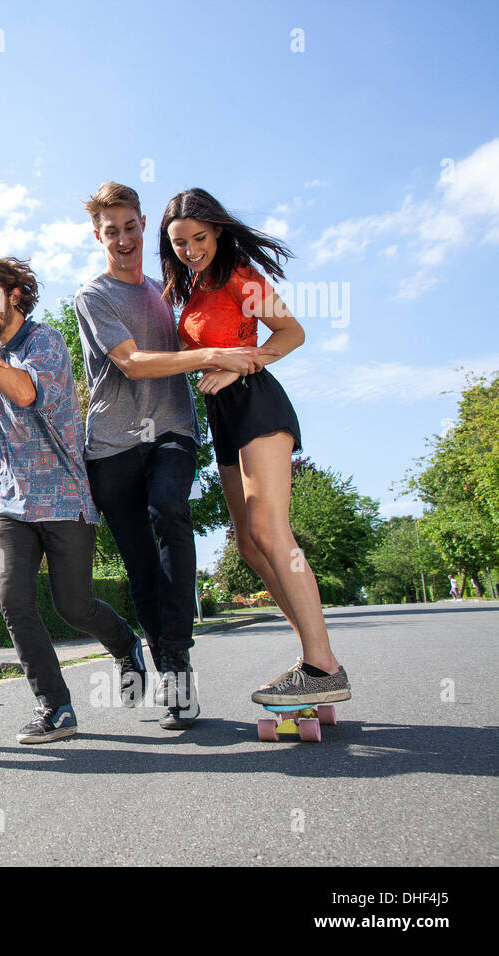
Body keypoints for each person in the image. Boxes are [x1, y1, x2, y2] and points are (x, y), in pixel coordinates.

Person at [0, 256, 142, 744]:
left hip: (63, 497)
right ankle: (56, 708)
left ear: (15, 294)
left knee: (74, 606)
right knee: (13, 601)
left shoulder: (44, 342)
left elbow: (23, 392)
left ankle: (125, 644)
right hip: (9, 502)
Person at [74, 182, 275, 729]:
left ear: (144, 226)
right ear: (98, 236)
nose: (121, 238)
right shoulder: (92, 297)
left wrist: (243, 352)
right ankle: (163, 667)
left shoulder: (170, 291)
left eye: (130, 227)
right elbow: (134, 363)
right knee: (139, 567)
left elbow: (226, 304)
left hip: (172, 432)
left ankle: (178, 667)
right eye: (110, 231)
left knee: (170, 509)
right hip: (112, 443)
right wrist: (214, 355)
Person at [159, 187, 351, 706]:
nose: (191, 249)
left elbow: (292, 332)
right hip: (223, 418)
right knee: (247, 544)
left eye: (199, 238)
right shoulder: (190, 287)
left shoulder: (240, 276)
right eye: (179, 243)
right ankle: (317, 656)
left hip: (257, 403)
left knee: (270, 529)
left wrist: (248, 359)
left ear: (217, 231)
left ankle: (321, 664)